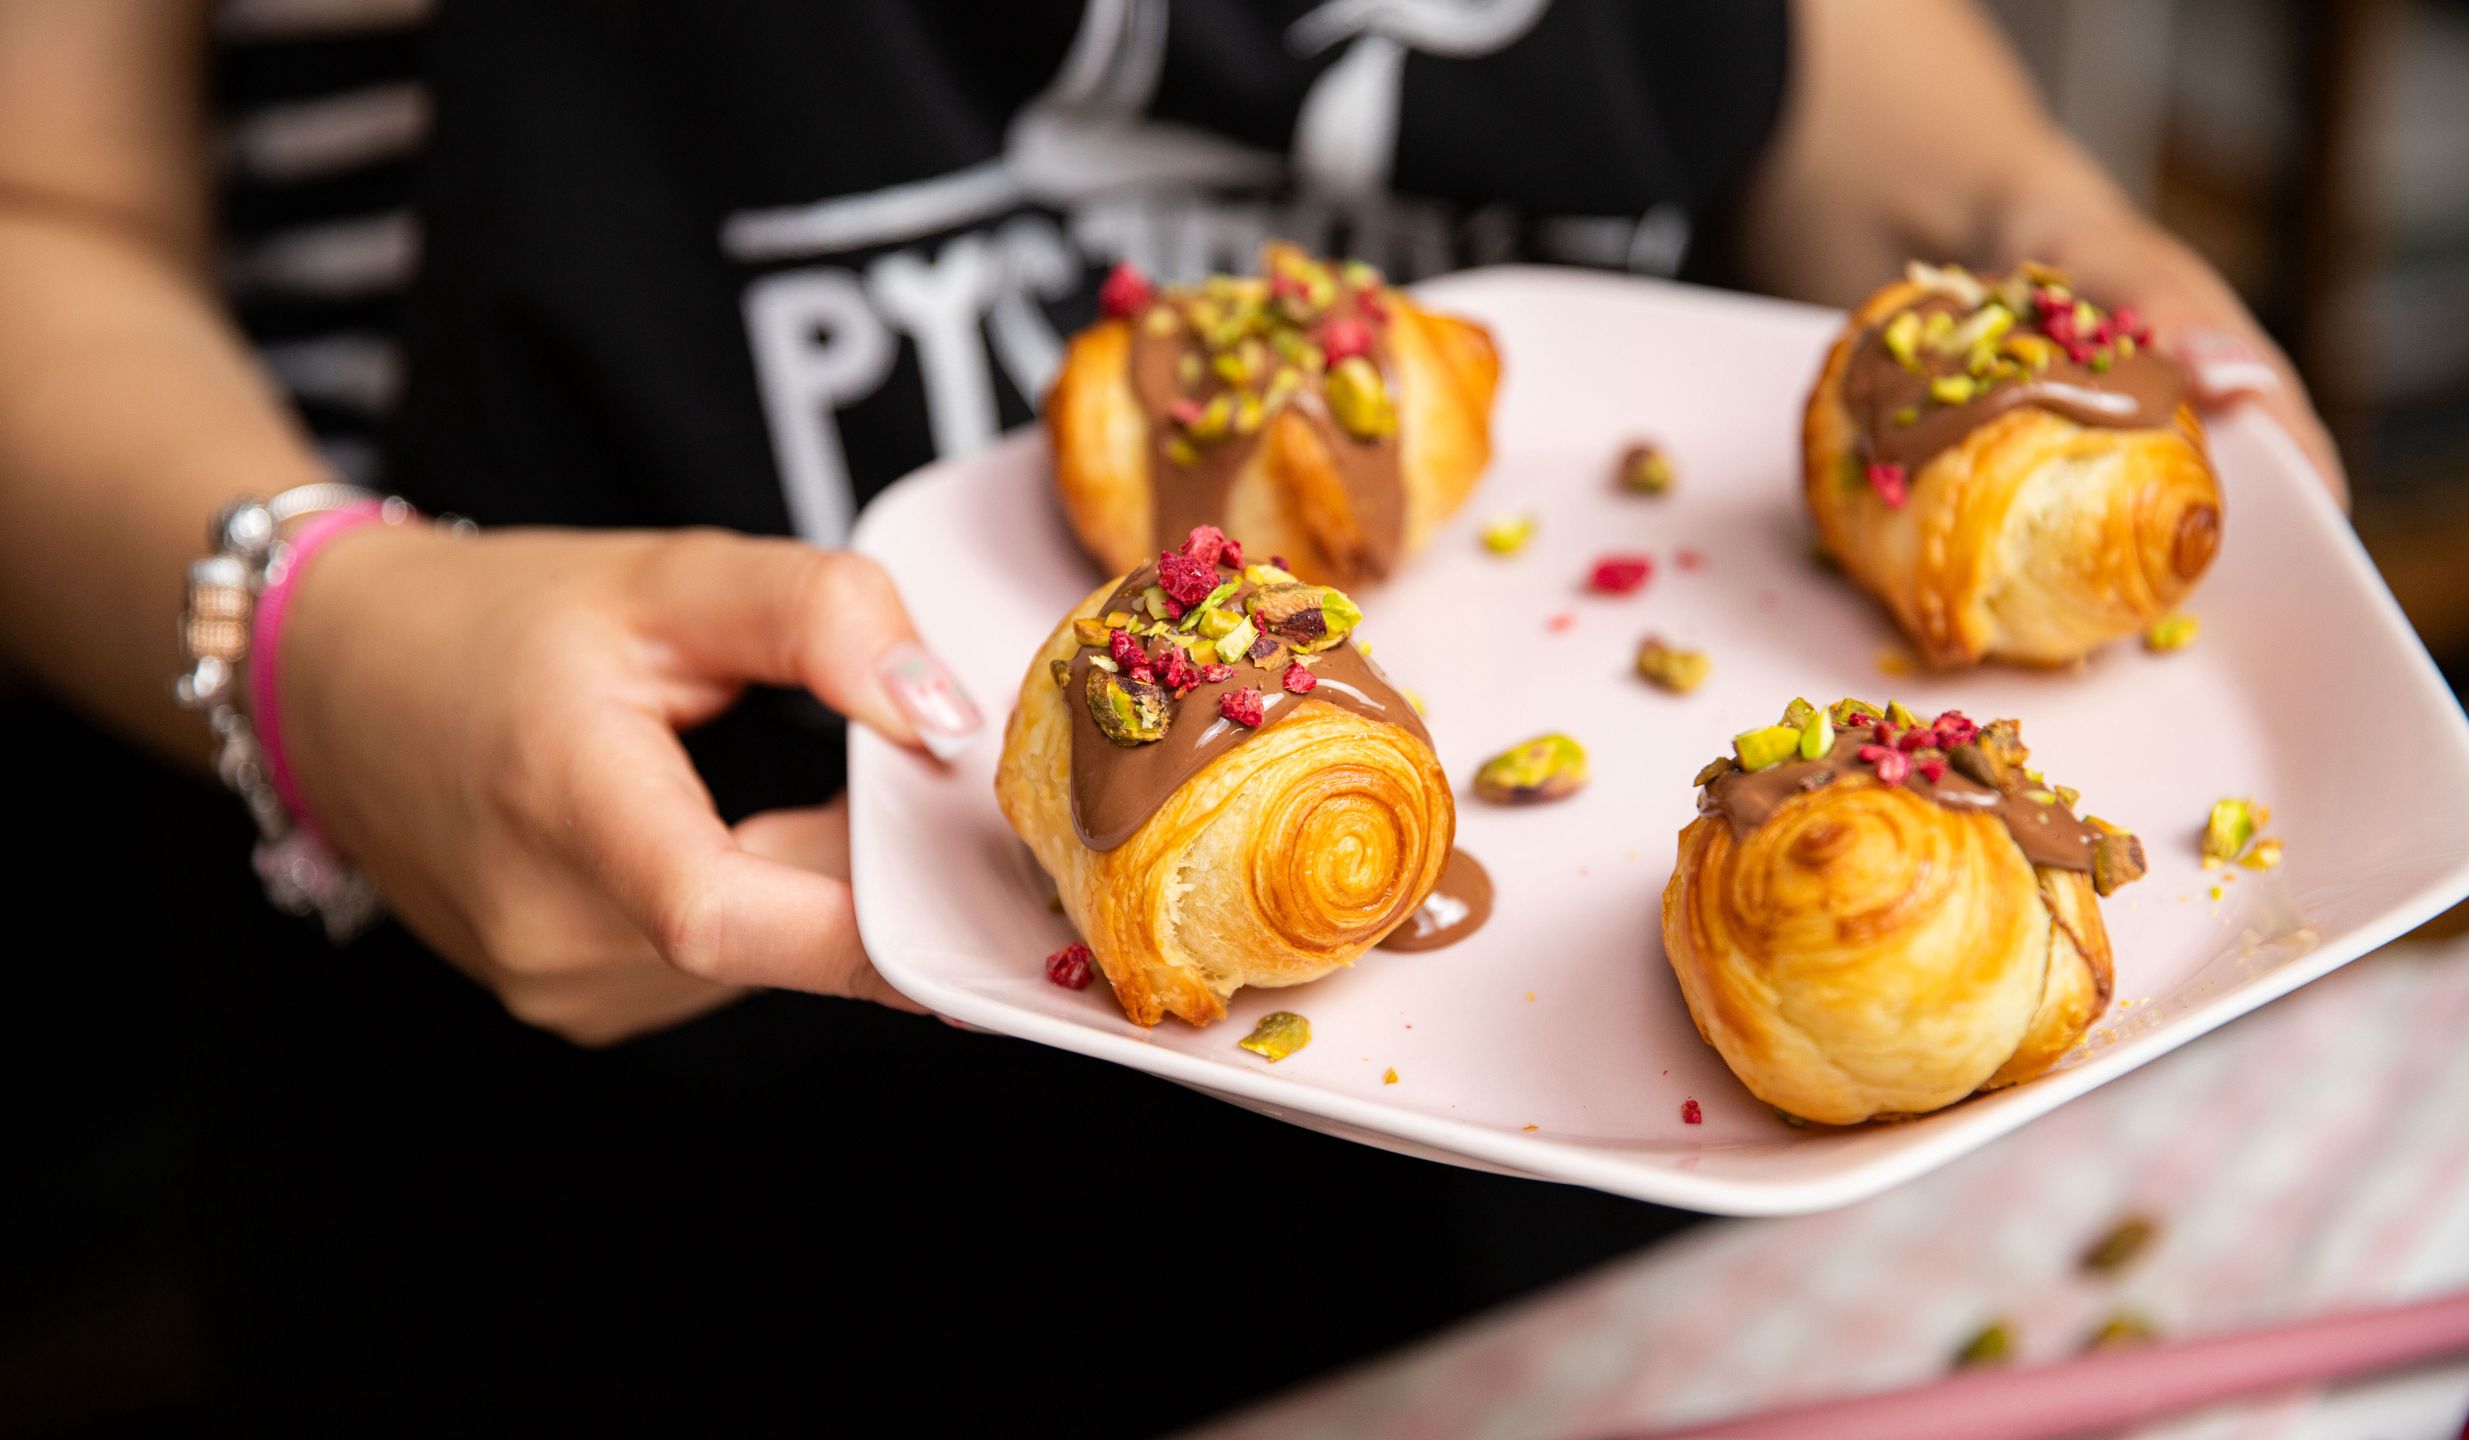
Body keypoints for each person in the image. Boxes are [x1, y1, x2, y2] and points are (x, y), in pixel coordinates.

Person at [0, 1, 2341, 1431]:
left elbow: (1840, 56)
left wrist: (2026, 222)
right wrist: (308, 636)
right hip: (646, 1171)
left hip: (1632, 1144)